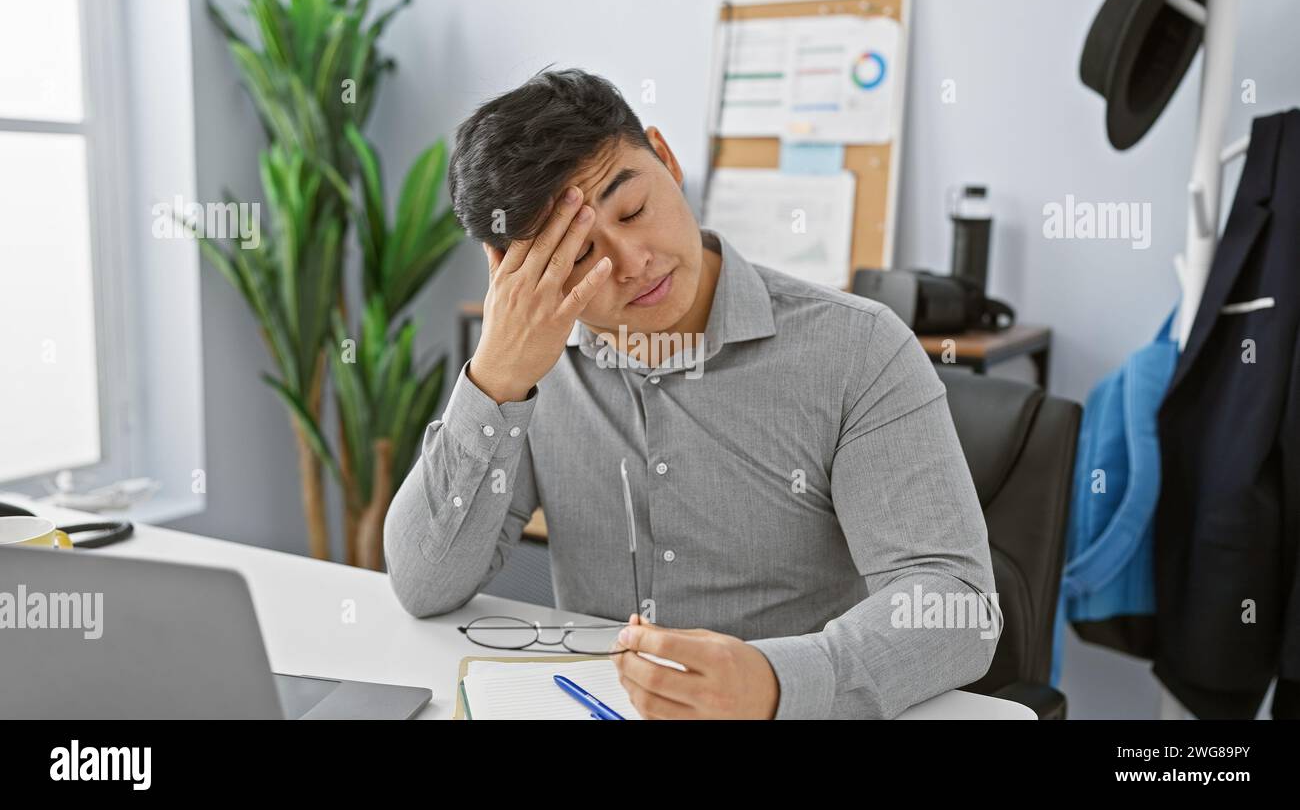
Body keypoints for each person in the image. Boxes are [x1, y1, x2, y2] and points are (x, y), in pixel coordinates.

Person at [384, 68, 1000, 719]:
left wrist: (778, 681)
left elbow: (957, 604)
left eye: (634, 210)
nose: (634, 261)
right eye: (580, 255)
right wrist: (496, 381)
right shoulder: (534, 364)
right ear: (516, 271)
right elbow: (424, 583)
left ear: (667, 159)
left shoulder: (859, 350)